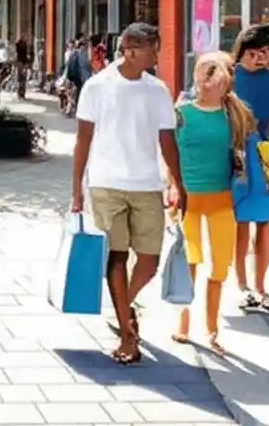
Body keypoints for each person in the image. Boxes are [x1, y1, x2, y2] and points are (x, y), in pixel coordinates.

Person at [71, 23, 182, 365]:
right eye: (152, 49)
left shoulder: (157, 90)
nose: (157, 55)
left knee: (149, 260)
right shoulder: (97, 86)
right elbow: (83, 139)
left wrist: (178, 183)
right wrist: (76, 190)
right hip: (106, 184)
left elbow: (167, 140)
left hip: (147, 183)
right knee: (116, 258)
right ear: (131, 50)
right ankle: (127, 335)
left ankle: (124, 303)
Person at [171, 52, 254, 356]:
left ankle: (212, 329)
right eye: (203, 74)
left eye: (213, 76)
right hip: (188, 201)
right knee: (190, 261)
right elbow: (169, 155)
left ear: (225, 82)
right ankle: (183, 321)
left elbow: (250, 150)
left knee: (220, 267)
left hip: (222, 200)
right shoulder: (181, 114)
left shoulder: (234, 116)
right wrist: (171, 188)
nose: (206, 82)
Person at [231, 24, 269, 312]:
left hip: (265, 155)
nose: (260, 57)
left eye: (265, 51)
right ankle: (242, 285)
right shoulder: (229, 76)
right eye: (254, 52)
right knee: (240, 222)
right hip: (237, 154)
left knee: (265, 223)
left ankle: (261, 285)